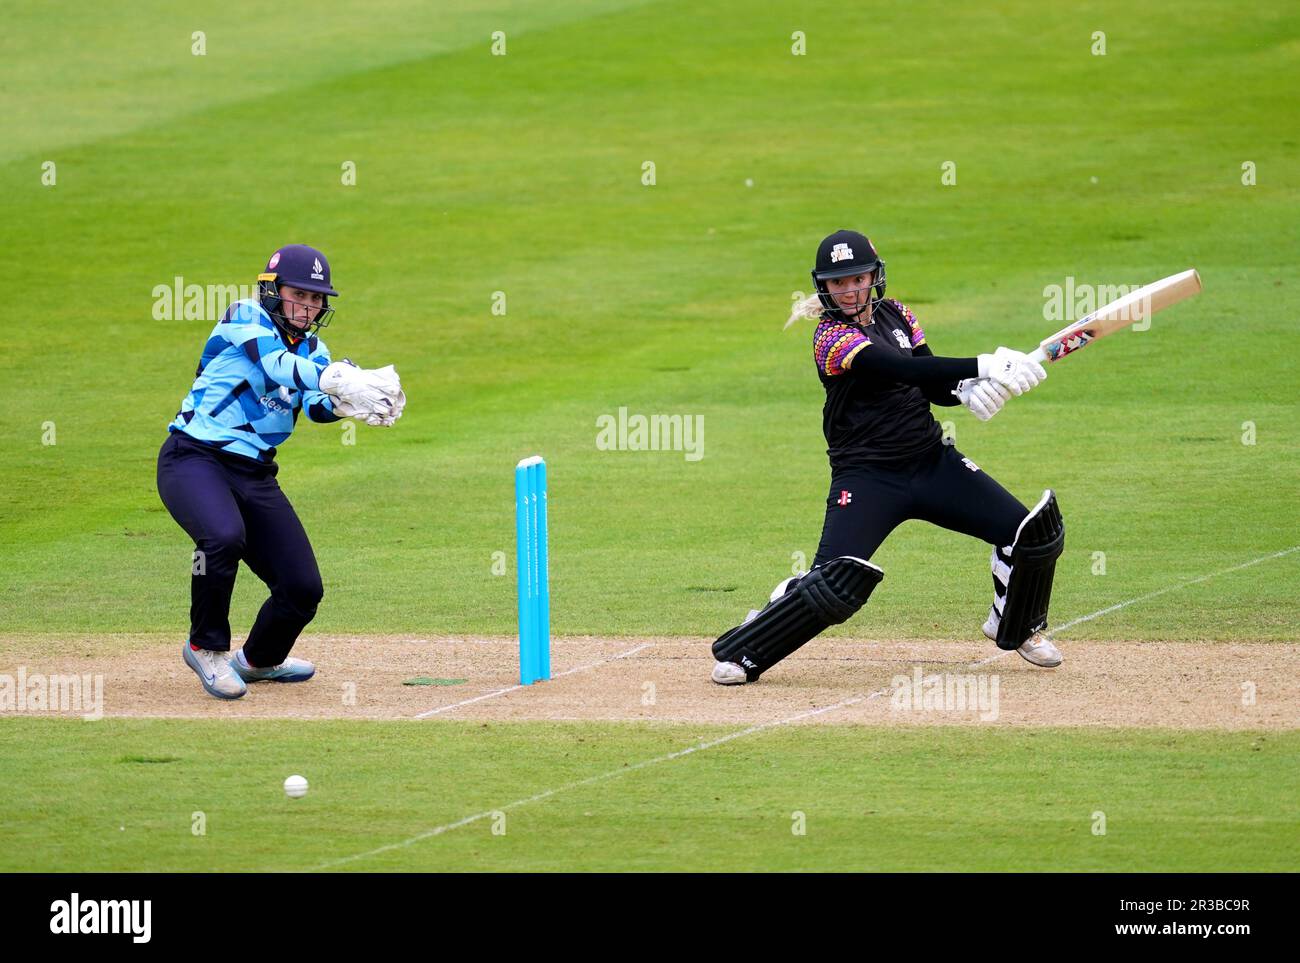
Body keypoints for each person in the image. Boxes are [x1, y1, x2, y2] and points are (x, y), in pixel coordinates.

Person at [710, 230, 1066, 686]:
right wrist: (985, 364)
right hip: (867, 478)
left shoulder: (898, 313)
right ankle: (748, 645)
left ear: (874, 277)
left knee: (1031, 534)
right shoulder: (830, 338)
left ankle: (1015, 624)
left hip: (932, 463)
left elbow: (931, 384)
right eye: (838, 283)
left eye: (857, 278)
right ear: (824, 287)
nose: (850, 290)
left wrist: (970, 390)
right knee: (831, 585)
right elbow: (898, 368)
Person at [158, 244, 405, 699]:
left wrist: (347, 403)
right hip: (194, 457)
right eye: (299, 295)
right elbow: (276, 365)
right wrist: (335, 379)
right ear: (271, 290)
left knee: (302, 588)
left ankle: (258, 660)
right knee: (222, 537)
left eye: (316, 300)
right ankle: (205, 647)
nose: (308, 307)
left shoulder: (314, 349)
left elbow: (313, 406)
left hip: (254, 473)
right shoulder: (243, 317)